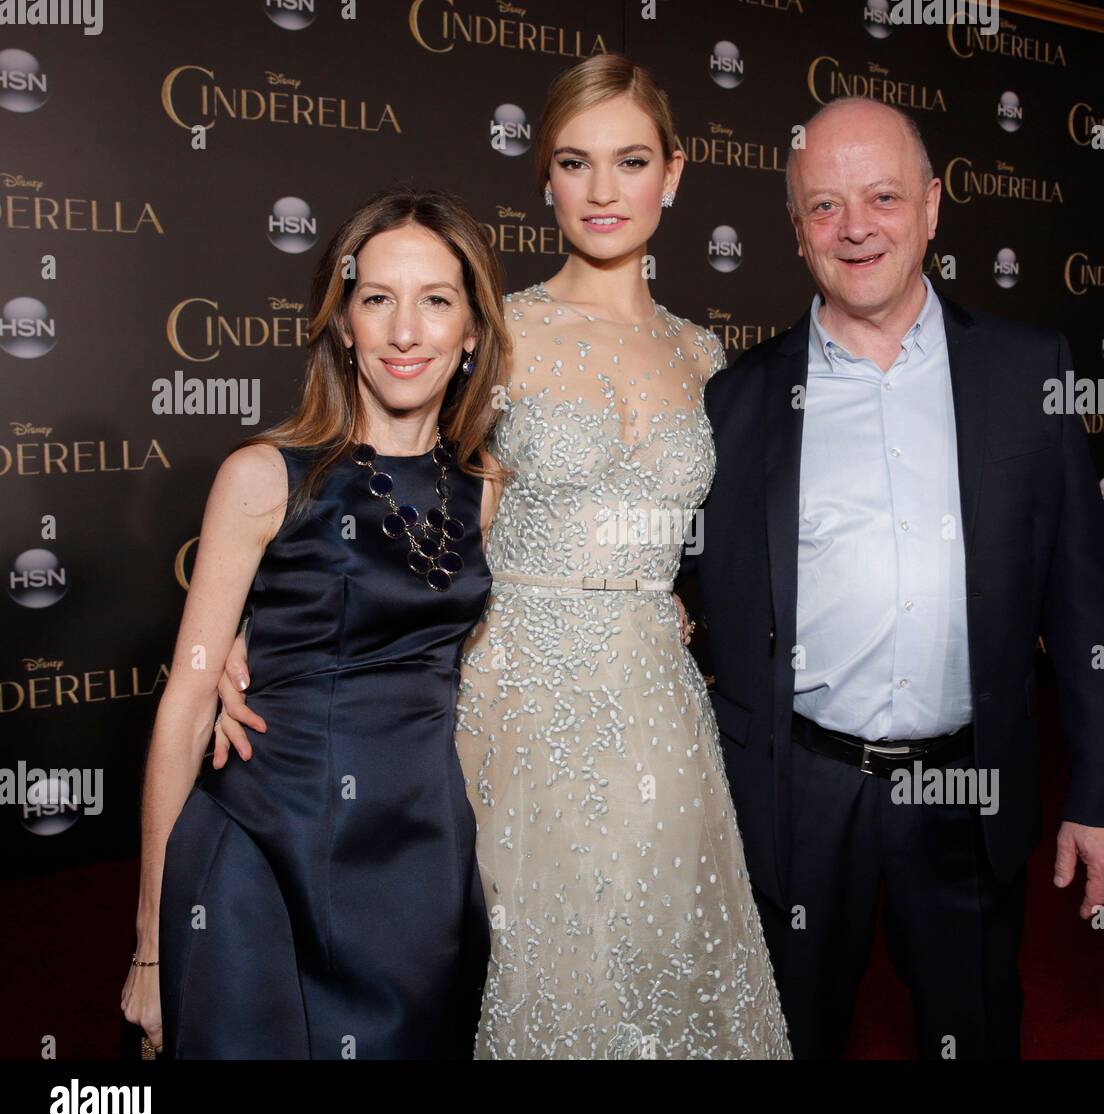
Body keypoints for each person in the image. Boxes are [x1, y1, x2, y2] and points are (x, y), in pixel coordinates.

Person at [214, 54, 792, 1061]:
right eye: (575, 163)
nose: (603, 191)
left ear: (676, 173)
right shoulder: (495, 335)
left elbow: (742, 543)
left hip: (658, 706)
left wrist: (672, 607)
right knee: (533, 978)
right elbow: (374, 492)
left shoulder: (710, 360)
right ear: (545, 179)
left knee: (662, 974)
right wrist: (245, 627)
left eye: (630, 161)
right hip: (514, 703)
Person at [678, 96, 1104, 1060]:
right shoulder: (738, 400)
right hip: (800, 795)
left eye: (883, 196)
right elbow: (665, 579)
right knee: (788, 1038)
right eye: (824, 206)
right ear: (797, 232)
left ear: (932, 206)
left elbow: (1086, 602)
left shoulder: (1030, 372)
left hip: (969, 787)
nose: (856, 228)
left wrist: (1101, 793)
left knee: (973, 1030)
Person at [120, 186, 508, 1059]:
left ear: (473, 329)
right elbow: (185, 701)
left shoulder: (486, 492)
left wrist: (664, 604)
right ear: (344, 324)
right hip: (266, 850)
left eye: (436, 300)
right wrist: (149, 943)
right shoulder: (264, 476)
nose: (405, 331)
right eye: (377, 299)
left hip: (420, 867)